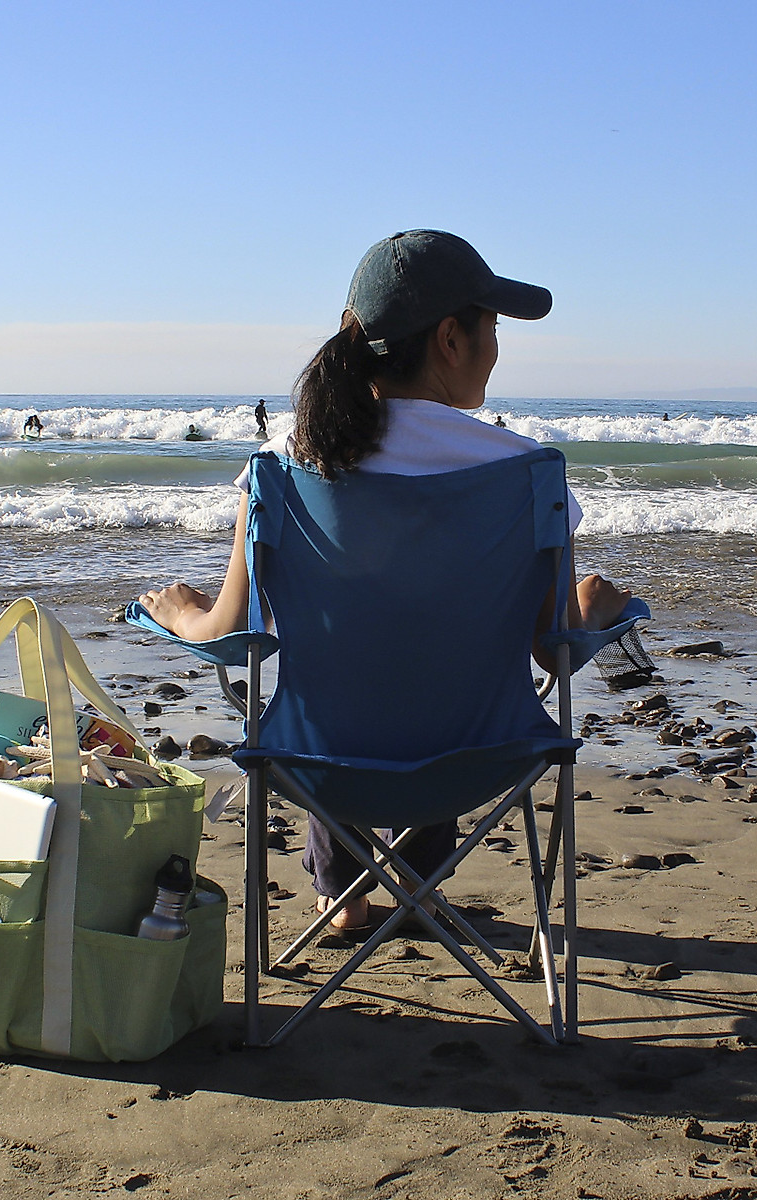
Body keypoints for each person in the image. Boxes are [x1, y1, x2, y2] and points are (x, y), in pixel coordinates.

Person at [138, 229, 629, 929]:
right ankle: (421, 883)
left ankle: (344, 892)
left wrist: (178, 612)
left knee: (351, 668)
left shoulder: (283, 467)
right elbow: (555, 652)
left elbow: (232, 632)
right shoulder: (527, 473)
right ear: (451, 339)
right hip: (479, 758)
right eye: (492, 327)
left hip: (321, 762)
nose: (496, 346)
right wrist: (593, 608)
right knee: (432, 661)